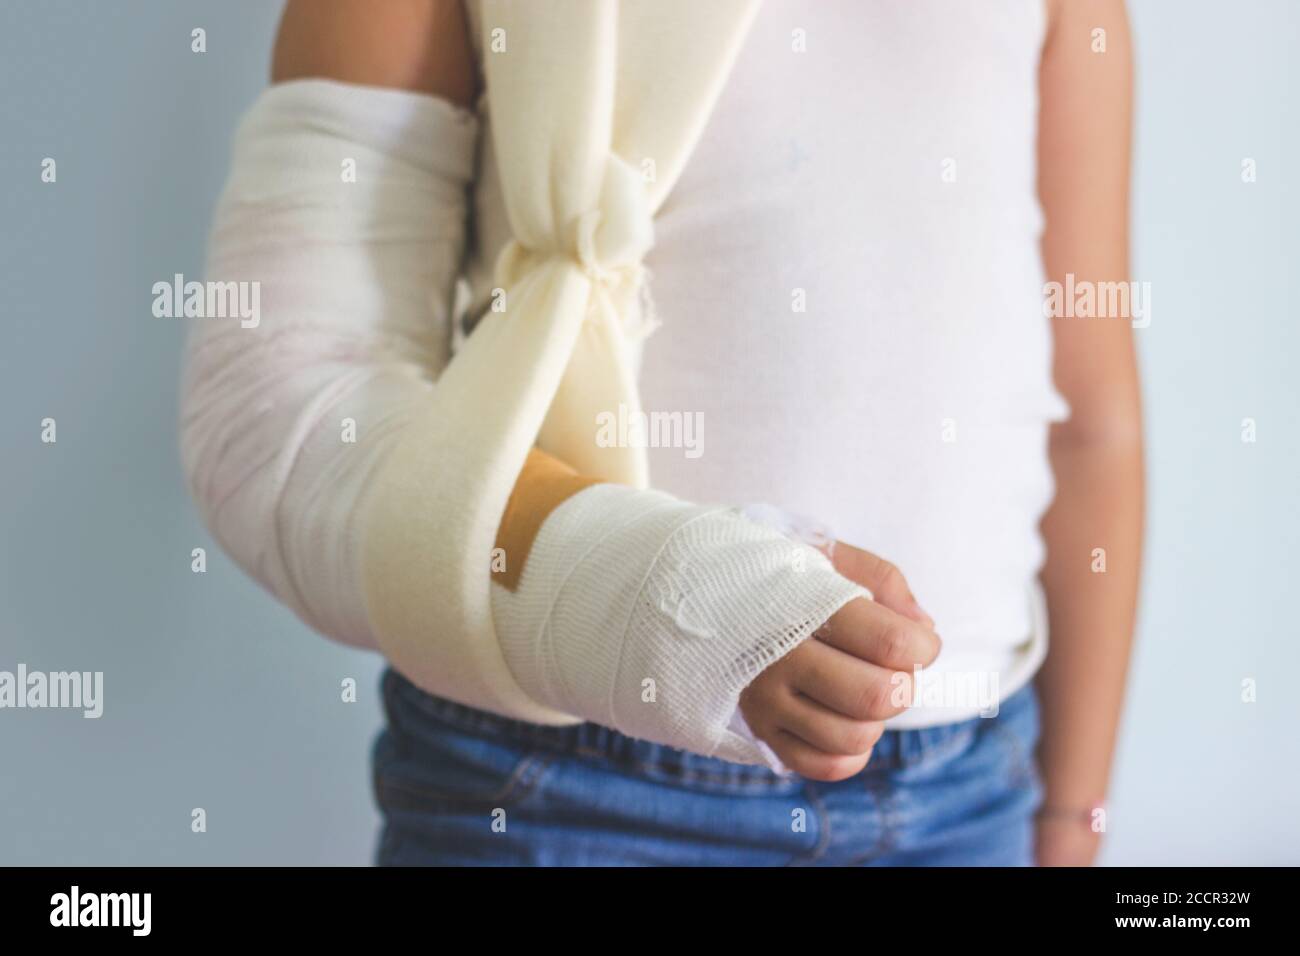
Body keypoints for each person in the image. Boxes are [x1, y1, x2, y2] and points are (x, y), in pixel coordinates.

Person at [182, 0, 1142, 866]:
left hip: (968, 793)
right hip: (559, 787)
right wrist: (674, 597)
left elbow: (1090, 420)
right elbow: (279, 410)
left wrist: (1073, 814)